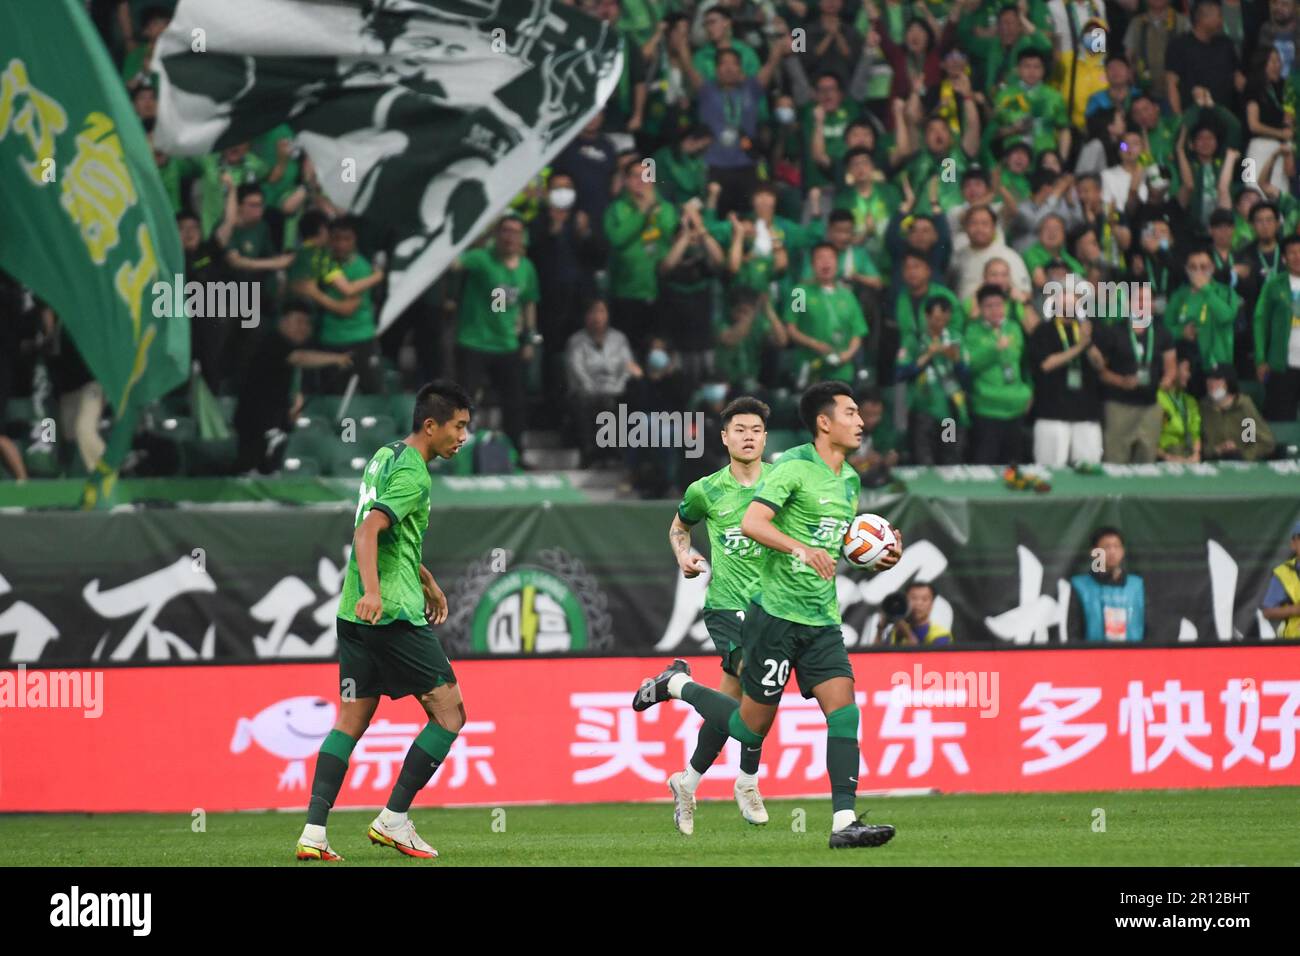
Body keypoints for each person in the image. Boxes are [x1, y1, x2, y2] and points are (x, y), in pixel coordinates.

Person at [632, 381, 903, 850]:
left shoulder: (850, 480)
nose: (862, 421)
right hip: (765, 614)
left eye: (758, 429)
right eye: (852, 412)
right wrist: (687, 554)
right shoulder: (784, 470)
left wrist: (874, 554)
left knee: (844, 712)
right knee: (748, 723)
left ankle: (842, 821)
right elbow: (751, 524)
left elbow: (836, 537)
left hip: (821, 617)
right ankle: (682, 694)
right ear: (825, 421)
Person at [296, 382, 473, 862]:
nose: (464, 437)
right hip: (390, 611)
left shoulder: (384, 456)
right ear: (431, 425)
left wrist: (426, 577)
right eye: (458, 426)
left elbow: (389, 533)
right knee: (450, 713)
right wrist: (378, 591)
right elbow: (368, 528)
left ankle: (313, 832)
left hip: (352, 612)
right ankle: (393, 820)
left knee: (351, 719)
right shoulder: (415, 475)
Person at [666, 396, 773, 835]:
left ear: (765, 438)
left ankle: (687, 782)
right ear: (725, 437)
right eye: (740, 429)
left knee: (730, 706)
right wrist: (683, 555)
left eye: (756, 430)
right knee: (758, 680)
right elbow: (679, 525)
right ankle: (747, 781)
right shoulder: (705, 490)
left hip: (775, 608)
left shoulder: (782, 484)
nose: (748, 437)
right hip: (728, 605)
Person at [450, 216, 538, 454]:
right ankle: (460, 452)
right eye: (505, 231)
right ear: (497, 235)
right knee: (465, 401)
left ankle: (516, 453)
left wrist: (529, 338)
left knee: (515, 404)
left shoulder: (527, 268)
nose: (510, 237)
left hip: (507, 344)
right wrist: (481, 236)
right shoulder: (482, 258)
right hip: (474, 342)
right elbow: (454, 264)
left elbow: (529, 303)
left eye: (516, 232)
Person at [232, 300, 352, 475]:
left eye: (307, 323)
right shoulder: (272, 341)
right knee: (253, 466)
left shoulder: (289, 347)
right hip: (257, 418)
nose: (303, 328)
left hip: (276, 416)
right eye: (298, 322)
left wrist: (294, 403)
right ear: (283, 321)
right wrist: (336, 359)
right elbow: (299, 358)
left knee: (272, 466)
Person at [565, 298, 642, 467]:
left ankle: (616, 454)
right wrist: (595, 390)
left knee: (623, 401)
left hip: (615, 390)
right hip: (587, 390)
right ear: (586, 316)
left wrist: (616, 388)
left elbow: (627, 368)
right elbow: (577, 371)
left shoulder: (619, 339)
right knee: (586, 402)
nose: (597, 317)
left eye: (601, 311)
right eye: (593, 312)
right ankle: (589, 454)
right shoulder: (576, 341)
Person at [896, 296, 969, 466]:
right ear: (927, 317)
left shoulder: (955, 339)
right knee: (924, 457)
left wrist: (955, 359)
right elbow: (901, 373)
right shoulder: (915, 339)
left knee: (949, 454)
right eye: (936, 319)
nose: (940, 323)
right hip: (924, 409)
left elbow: (966, 375)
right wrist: (927, 355)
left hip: (949, 411)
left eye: (944, 318)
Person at [964, 284, 1032, 465]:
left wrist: (1028, 391)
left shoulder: (1014, 328)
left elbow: (1024, 362)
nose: (995, 310)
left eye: (999, 304)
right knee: (985, 463)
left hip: (1015, 407)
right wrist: (994, 349)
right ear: (980, 308)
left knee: (1013, 465)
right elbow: (970, 365)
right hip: (988, 409)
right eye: (989, 305)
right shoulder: (972, 331)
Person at [1252, 234, 1300, 422]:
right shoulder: (1274, 285)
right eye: (1292, 253)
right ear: (1284, 257)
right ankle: (1280, 452)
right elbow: (1260, 321)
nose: (1297, 257)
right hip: (1281, 364)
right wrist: (1261, 358)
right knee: (1279, 418)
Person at [1069, 526, 1146, 642]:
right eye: (1106, 547)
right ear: (1094, 552)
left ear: (1122, 551)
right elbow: (1072, 631)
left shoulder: (1137, 586)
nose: (1112, 551)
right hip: (1092, 657)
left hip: (1133, 657)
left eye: (1116, 546)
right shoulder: (1079, 586)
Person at [1200, 364, 1277, 460]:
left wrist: (1241, 454)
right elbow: (1196, 445)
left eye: (1218, 379)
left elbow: (1266, 443)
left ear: (1229, 382)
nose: (1211, 383)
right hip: (1211, 465)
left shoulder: (1244, 407)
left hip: (1242, 466)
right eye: (1209, 378)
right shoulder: (1203, 408)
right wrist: (1216, 450)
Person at [1157, 344, 1204, 462]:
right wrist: (1168, 457)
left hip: (1188, 455)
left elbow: (1195, 433)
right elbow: (1148, 438)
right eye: (1186, 369)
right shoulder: (1157, 397)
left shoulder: (1190, 401)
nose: (1189, 375)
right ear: (1173, 368)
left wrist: (1196, 454)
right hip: (1165, 455)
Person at [876, 582, 952, 646]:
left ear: (932, 604)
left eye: (924, 599)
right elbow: (875, 658)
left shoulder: (940, 634)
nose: (918, 603)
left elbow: (925, 661)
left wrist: (907, 633)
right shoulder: (895, 632)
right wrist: (880, 630)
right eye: (913, 598)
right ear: (905, 601)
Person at [1260, 520, 1300, 639]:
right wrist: (1295, 610)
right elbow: (1268, 611)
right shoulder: (1284, 572)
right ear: (1293, 543)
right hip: (1294, 645)